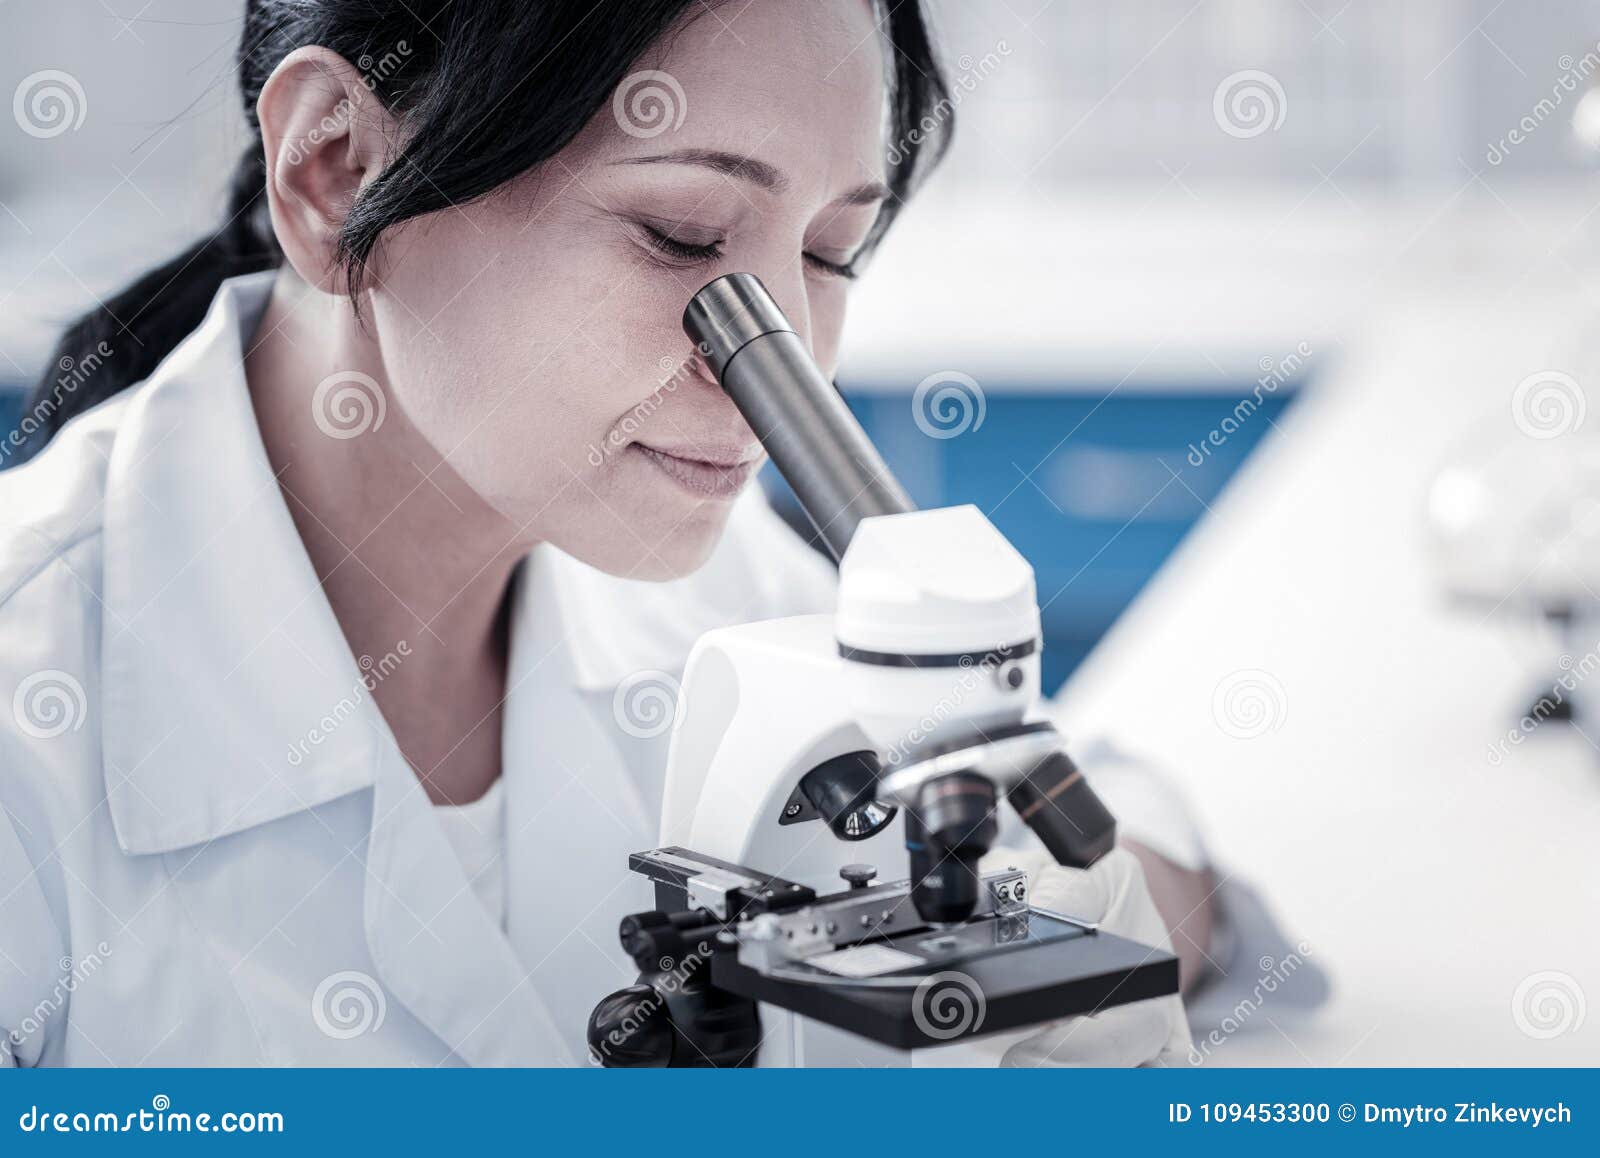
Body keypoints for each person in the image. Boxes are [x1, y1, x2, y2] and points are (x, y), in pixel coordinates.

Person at [0, 0, 1204, 1066]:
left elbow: (1088, 803)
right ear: (335, 170)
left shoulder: (724, 597)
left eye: (831, 252)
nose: (780, 369)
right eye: (683, 232)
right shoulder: (30, 734)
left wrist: (1061, 939)